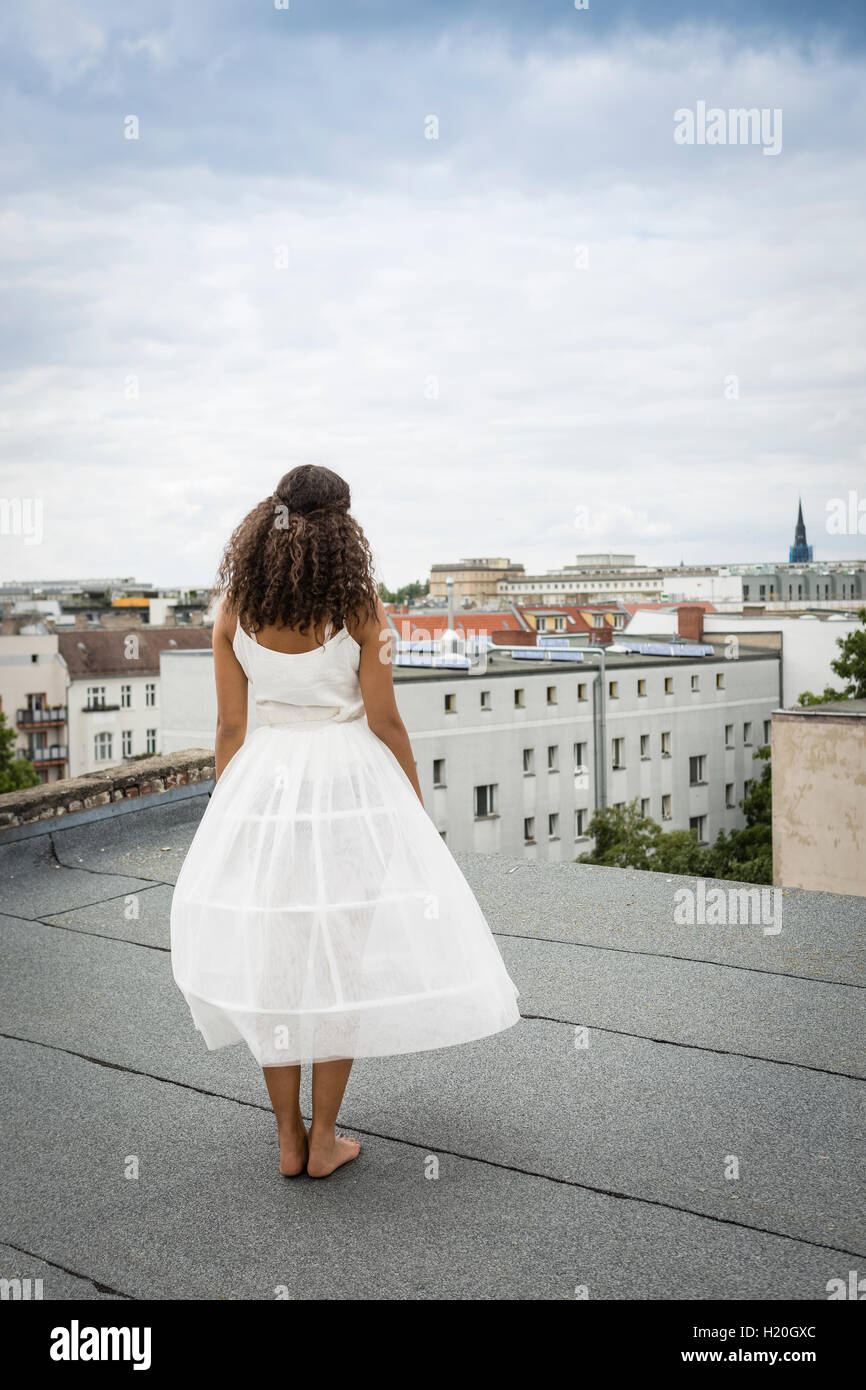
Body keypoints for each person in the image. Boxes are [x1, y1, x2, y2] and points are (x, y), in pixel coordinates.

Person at [170, 464, 521, 1179]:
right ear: (342, 528)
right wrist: (411, 814)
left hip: (263, 789)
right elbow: (387, 721)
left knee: (276, 967)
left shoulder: (234, 608)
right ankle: (326, 1139)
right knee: (339, 968)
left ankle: (288, 1139)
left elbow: (229, 729)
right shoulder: (359, 608)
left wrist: (226, 821)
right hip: (347, 790)